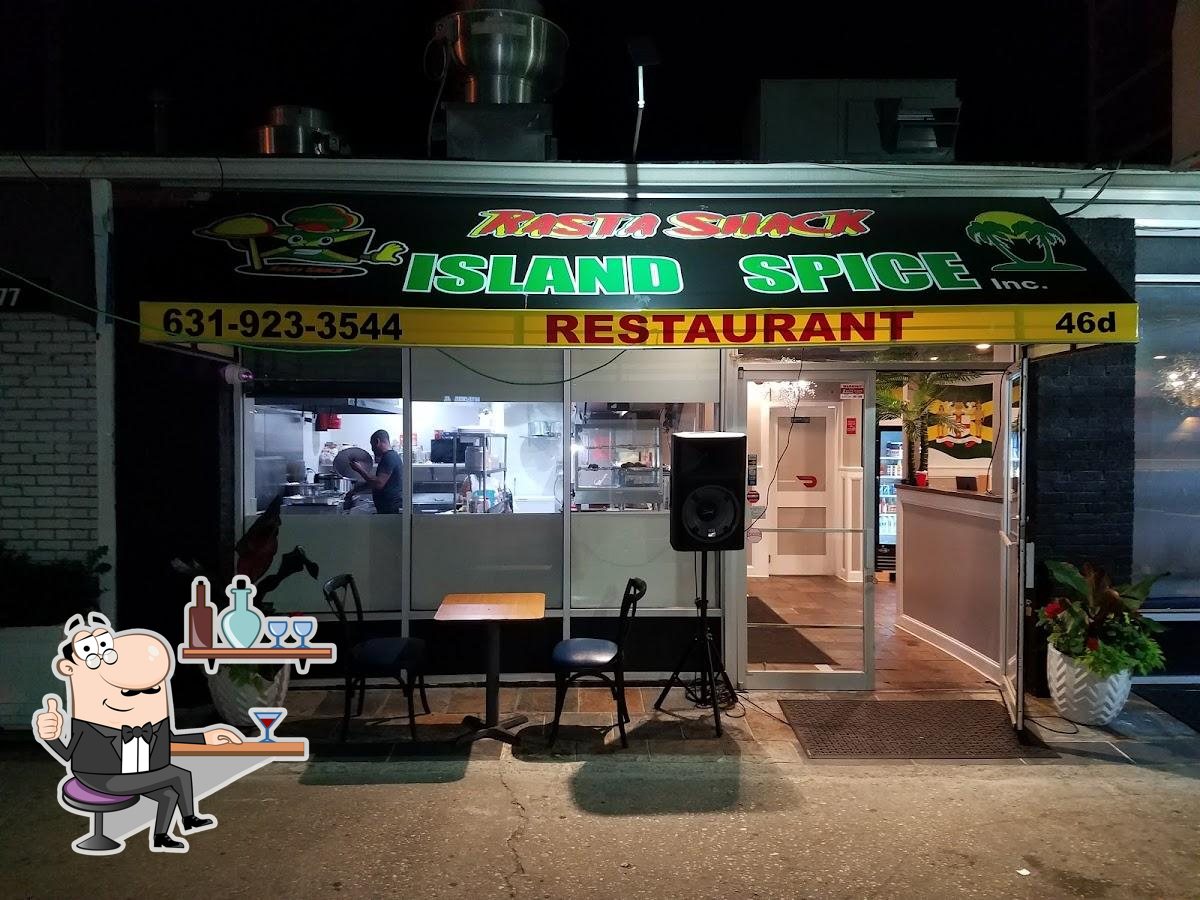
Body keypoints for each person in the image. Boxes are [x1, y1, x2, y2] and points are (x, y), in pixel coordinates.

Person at [33, 613, 244, 853]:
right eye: (129, 692)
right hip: (100, 777)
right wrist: (50, 736)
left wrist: (207, 738)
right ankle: (188, 819)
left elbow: (170, 741)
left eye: (151, 689)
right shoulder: (88, 726)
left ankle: (163, 835)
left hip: (134, 772)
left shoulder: (151, 724)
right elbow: (68, 755)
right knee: (176, 776)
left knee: (169, 792)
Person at [347, 429, 403, 514]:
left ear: (377, 442)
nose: (372, 449)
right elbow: (378, 482)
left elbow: (378, 484)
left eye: (372, 445)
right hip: (388, 507)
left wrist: (360, 469)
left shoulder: (389, 457)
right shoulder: (391, 456)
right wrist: (356, 489)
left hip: (390, 509)